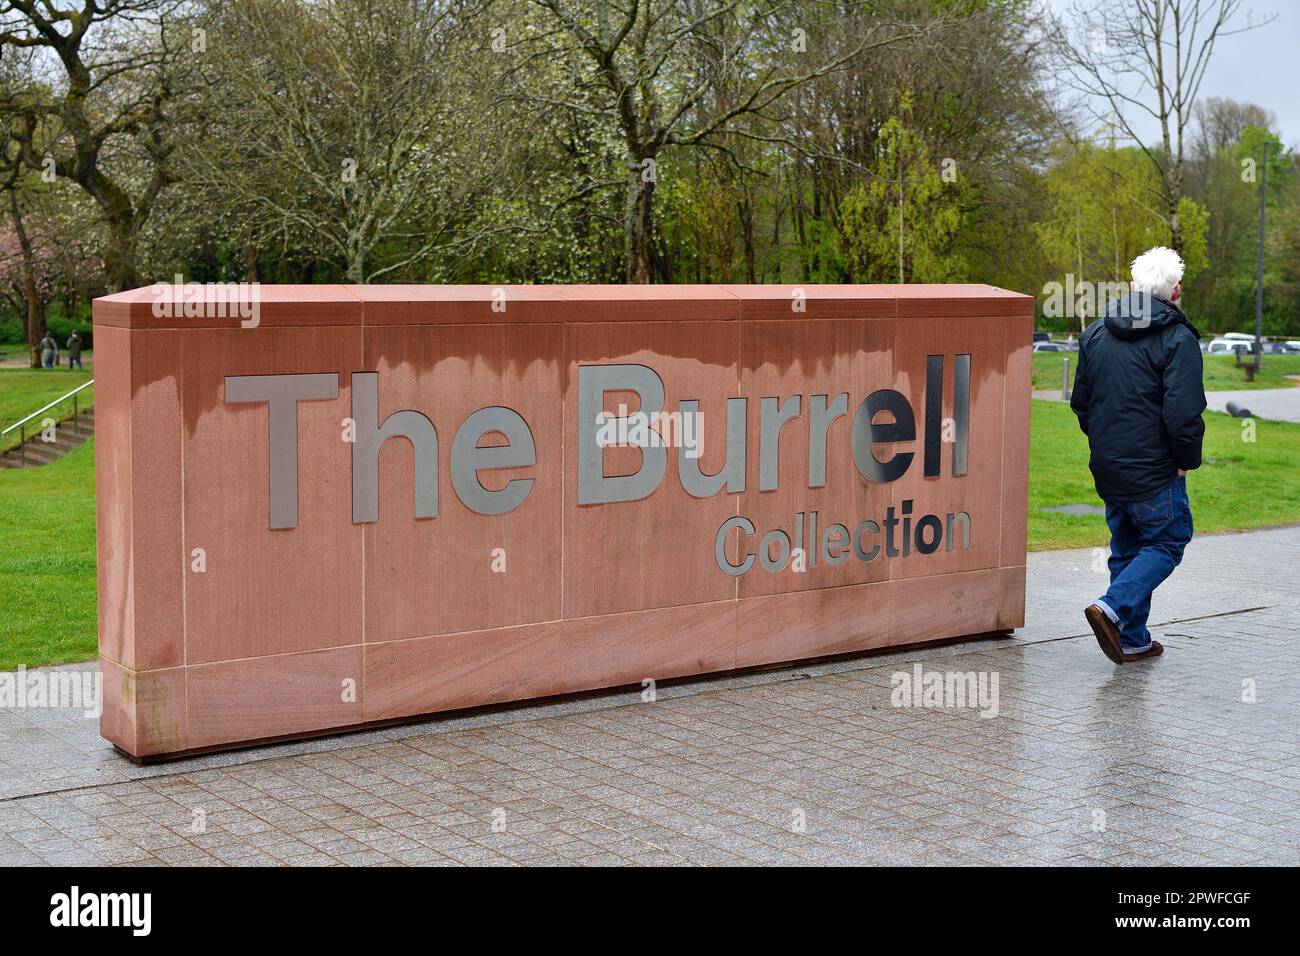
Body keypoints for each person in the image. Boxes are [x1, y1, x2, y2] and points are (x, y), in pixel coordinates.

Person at [1070, 246, 1206, 664]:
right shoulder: (1178, 339)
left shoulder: (1095, 333)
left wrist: (1105, 446)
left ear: (1132, 287)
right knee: (1167, 541)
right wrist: (1187, 459)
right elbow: (1183, 413)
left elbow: (1082, 403)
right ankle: (1112, 607)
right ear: (1176, 291)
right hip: (1156, 472)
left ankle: (1132, 639)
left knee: (1127, 549)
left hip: (1110, 468)